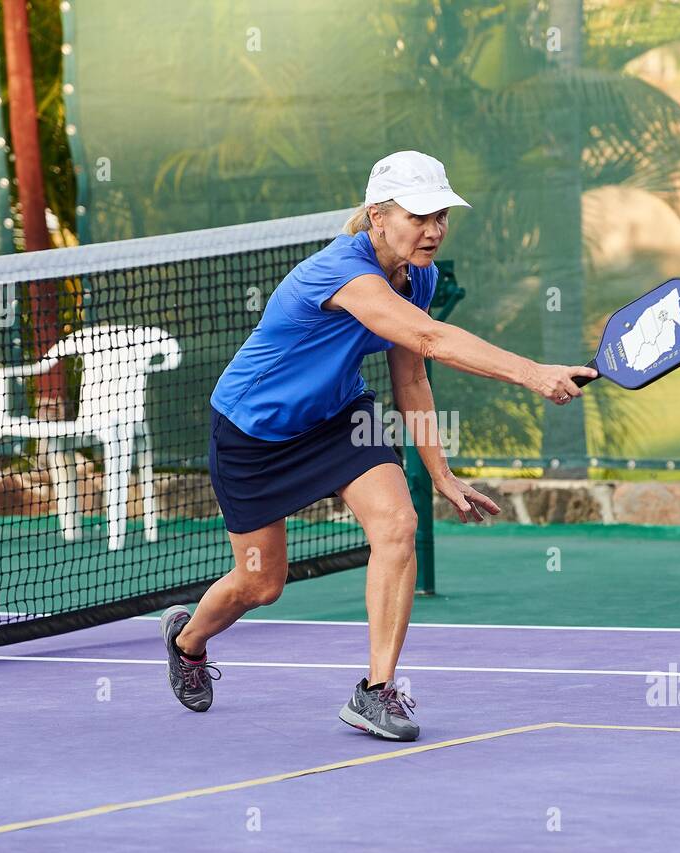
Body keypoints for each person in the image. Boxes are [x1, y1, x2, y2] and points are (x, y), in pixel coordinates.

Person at [161, 149, 597, 741]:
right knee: (261, 584)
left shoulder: (420, 276)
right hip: (253, 432)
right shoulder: (340, 272)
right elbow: (429, 335)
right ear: (377, 217)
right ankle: (188, 641)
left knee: (397, 525)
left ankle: (376, 692)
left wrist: (440, 473)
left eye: (441, 215)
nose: (434, 229)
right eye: (419, 216)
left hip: (339, 417)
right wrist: (531, 372)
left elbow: (412, 373)